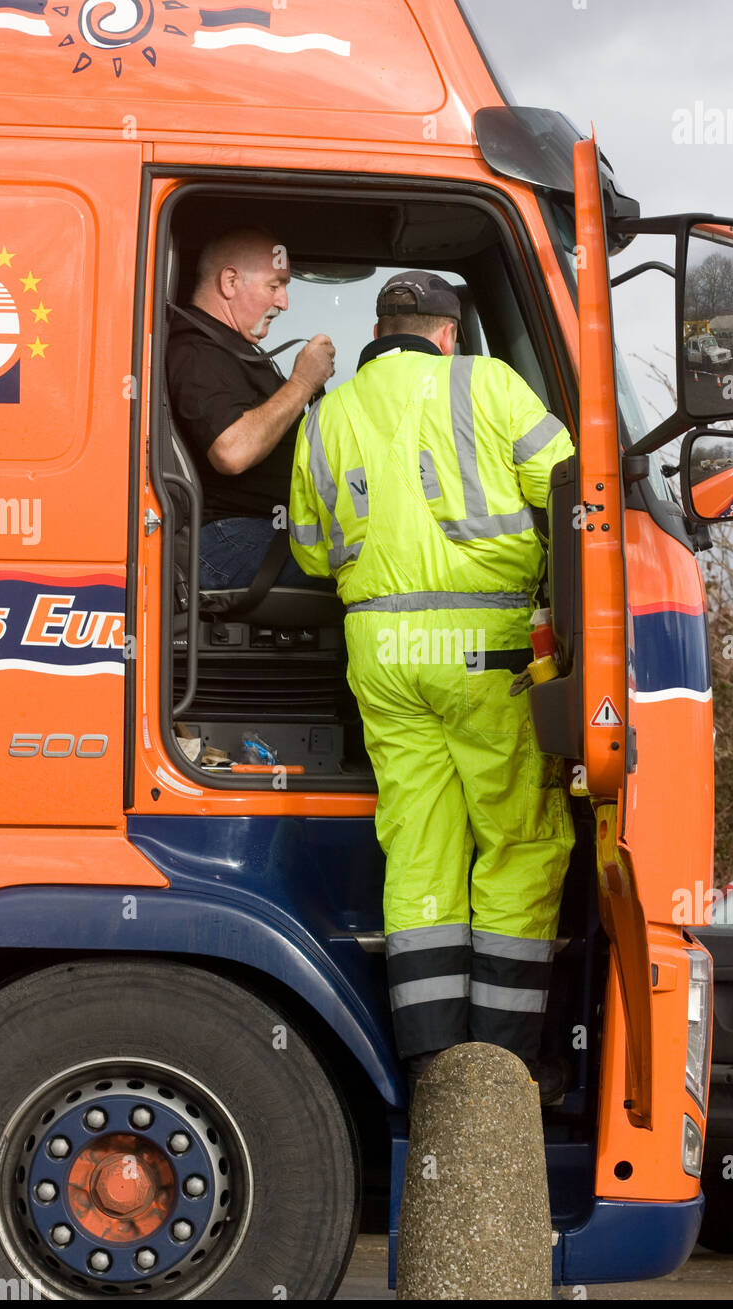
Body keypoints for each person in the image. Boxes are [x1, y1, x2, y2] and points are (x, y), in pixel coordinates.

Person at [288, 271, 576, 1102]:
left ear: (383, 331)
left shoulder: (326, 415)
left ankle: (431, 1061)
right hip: (484, 650)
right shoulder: (486, 382)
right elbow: (572, 496)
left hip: (379, 651)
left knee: (418, 845)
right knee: (518, 840)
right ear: (448, 333)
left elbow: (311, 549)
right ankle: (502, 1064)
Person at [166, 227, 336, 590]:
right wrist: (302, 383)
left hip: (252, 533)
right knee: (377, 563)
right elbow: (232, 451)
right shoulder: (197, 352)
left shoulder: (228, 349)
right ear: (229, 281)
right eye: (275, 285)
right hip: (229, 538)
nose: (285, 302)